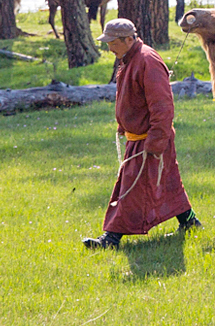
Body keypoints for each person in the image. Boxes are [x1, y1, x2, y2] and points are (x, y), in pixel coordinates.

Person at [83, 19, 199, 249]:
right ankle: (190, 222)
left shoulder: (148, 60)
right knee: (168, 182)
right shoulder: (129, 59)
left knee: (131, 190)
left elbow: (162, 106)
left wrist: (156, 141)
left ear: (129, 39)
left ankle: (111, 239)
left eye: (113, 43)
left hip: (150, 140)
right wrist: (124, 124)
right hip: (140, 138)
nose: (109, 48)